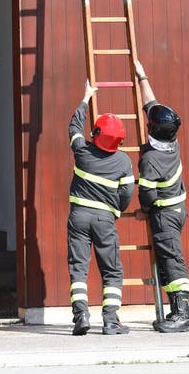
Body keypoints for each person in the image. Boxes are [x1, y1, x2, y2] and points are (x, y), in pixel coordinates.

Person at [67, 80, 135, 336]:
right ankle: (110, 321)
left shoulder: (82, 151)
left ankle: (81, 314)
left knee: (78, 267)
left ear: (96, 134)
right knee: (112, 270)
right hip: (105, 219)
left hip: (78, 217)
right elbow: (127, 192)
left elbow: (74, 127)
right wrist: (116, 209)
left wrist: (85, 98)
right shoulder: (124, 162)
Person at [134, 59, 189, 333]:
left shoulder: (151, 159)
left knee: (172, 260)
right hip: (177, 210)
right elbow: (152, 105)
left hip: (165, 217)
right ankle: (174, 312)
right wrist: (142, 76)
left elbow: (146, 195)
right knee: (169, 259)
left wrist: (142, 210)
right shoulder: (172, 144)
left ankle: (182, 315)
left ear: (152, 129)